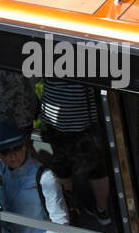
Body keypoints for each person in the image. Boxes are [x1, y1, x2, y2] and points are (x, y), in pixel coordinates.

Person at [39, 78, 111, 225]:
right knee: (97, 169)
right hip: (87, 116)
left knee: (62, 168)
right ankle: (103, 211)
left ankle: (69, 210)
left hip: (57, 119)